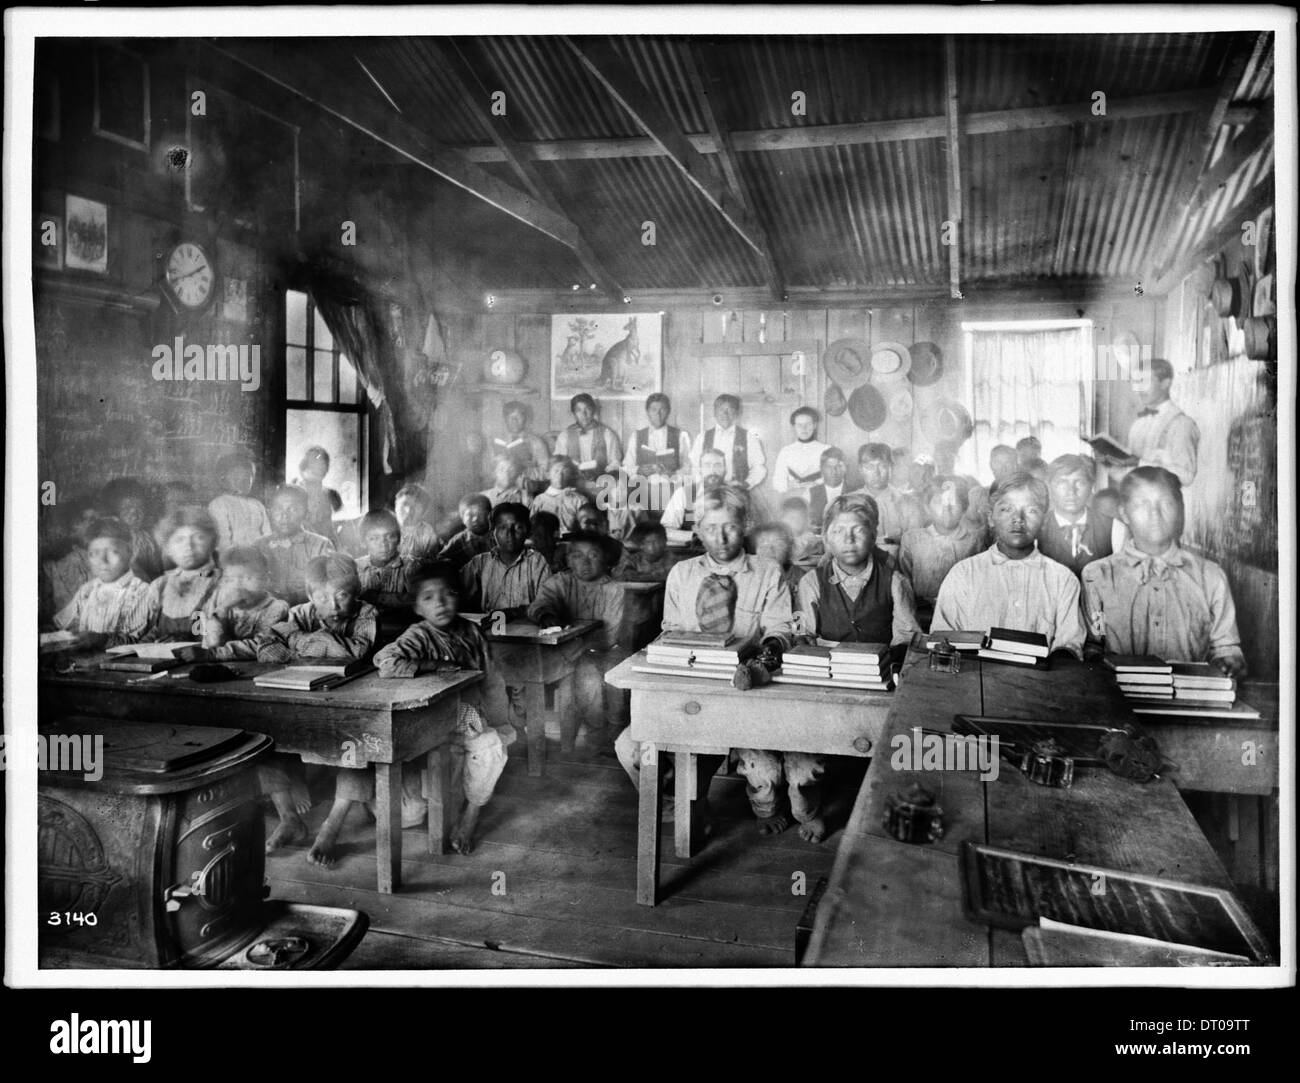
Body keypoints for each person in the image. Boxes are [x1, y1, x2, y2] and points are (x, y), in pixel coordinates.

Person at [615, 484, 795, 835]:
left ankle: (761, 805)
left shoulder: (767, 571)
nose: (721, 536)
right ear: (697, 530)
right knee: (629, 748)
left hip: (746, 692)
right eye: (710, 528)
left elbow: (781, 629)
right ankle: (680, 804)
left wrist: (764, 657)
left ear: (744, 525)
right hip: (691, 690)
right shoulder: (683, 574)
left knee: (766, 773)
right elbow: (670, 631)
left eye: (729, 526)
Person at [791, 496, 921, 842]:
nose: (849, 540)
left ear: (874, 534)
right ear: (826, 539)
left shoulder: (894, 581)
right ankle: (813, 810)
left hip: (877, 687)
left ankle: (876, 815)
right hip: (826, 685)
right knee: (805, 762)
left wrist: (886, 666)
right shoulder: (812, 583)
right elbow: (803, 636)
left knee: (887, 754)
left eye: (858, 530)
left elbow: (906, 639)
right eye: (839, 531)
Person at [366, 562, 515, 854]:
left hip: (466, 723)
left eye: (448, 594)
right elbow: (385, 662)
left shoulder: (472, 632)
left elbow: (493, 681)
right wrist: (430, 665)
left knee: (493, 746)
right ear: (417, 608)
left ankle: (470, 818)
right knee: (411, 816)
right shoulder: (417, 635)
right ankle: (372, 798)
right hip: (425, 731)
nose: (441, 603)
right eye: (429, 597)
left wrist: (501, 721)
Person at [255, 554, 378, 862]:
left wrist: (296, 641)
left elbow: (354, 652)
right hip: (306, 696)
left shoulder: (367, 614)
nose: (333, 607)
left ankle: (332, 826)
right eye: (322, 597)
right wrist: (313, 641)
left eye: (342, 596)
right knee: (260, 733)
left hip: (357, 703)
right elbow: (267, 648)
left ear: (355, 593)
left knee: (359, 745)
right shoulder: (300, 612)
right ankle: (289, 819)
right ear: (310, 595)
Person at [1081, 467, 1246, 676]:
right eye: (1142, 504)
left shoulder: (1211, 577)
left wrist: (1230, 662)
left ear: (1180, 508)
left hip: (1190, 702)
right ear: (1124, 513)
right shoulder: (1098, 575)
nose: (1155, 514)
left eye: (1166, 503)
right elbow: (1091, 646)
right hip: (1118, 701)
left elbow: (1226, 648)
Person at [931, 472, 1086, 658]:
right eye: (1006, 509)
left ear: (1044, 521)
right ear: (990, 518)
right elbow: (943, 641)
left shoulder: (1062, 579)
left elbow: (1069, 647)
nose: (1018, 519)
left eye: (1031, 510)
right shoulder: (963, 574)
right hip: (976, 682)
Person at [461, 502, 551, 746]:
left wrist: (516, 612)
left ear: (528, 531)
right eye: (502, 528)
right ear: (492, 532)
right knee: (487, 685)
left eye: (517, 527)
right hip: (489, 643)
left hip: (526, 644)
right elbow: (456, 591)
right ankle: (498, 731)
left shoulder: (536, 562)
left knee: (520, 685)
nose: (509, 535)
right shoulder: (480, 563)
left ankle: (517, 729)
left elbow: (545, 601)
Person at [528, 531, 627, 747]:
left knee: (613, 679)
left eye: (593, 555)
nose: (585, 562)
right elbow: (540, 603)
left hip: (605, 650)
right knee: (587, 678)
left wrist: (576, 641)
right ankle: (592, 733)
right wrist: (546, 614)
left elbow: (609, 635)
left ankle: (612, 732)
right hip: (565, 653)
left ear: (606, 559)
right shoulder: (560, 582)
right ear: (568, 559)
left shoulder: (614, 590)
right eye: (577, 555)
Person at [51, 517, 153, 648]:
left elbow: (141, 644)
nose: (103, 561)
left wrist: (101, 639)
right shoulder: (88, 590)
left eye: (112, 551)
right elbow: (63, 625)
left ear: (130, 553)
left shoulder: (143, 592)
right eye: (94, 554)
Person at [176, 546, 289, 662]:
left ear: (266, 579)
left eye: (247, 578)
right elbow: (212, 644)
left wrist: (211, 654)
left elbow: (262, 646)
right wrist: (222, 611)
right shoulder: (222, 606)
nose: (237, 585)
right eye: (230, 580)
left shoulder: (277, 608)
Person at [899, 476, 984, 631]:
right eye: (939, 502)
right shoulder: (912, 539)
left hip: (960, 617)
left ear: (964, 507)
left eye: (953, 502)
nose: (947, 508)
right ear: (927, 508)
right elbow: (904, 584)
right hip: (920, 616)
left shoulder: (975, 541)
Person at [1105, 358, 1200, 488]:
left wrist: (1139, 463)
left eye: (1145, 381)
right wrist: (1111, 465)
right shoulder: (1138, 425)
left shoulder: (1182, 424)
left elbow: (1186, 476)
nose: (1139, 389)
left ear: (1165, 383)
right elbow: (1129, 476)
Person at [145, 506, 223, 639]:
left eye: (199, 538)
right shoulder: (159, 586)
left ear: (213, 542)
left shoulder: (223, 584)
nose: (188, 546)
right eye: (179, 540)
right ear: (168, 548)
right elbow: (146, 634)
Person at [256, 483, 335, 605]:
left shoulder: (320, 545)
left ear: (305, 512)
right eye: (278, 509)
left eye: (292, 509)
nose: (284, 516)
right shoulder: (259, 546)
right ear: (270, 512)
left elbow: (330, 589)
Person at [1038, 454, 1113, 577]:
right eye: (1062, 482)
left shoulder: (1115, 529)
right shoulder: (1036, 530)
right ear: (1049, 486)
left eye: (1080, 482)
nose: (1071, 491)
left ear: (1091, 486)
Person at [622, 392, 692, 521]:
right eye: (654, 409)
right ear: (647, 412)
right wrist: (639, 470)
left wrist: (672, 474)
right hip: (643, 488)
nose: (658, 414)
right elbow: (627, 466)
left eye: (662, 409)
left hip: (670, 487)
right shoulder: (637, 436)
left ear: (668, 411)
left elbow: (688, 467)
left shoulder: (680, 435)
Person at [853, 443, 925, 555]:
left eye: (882, 466)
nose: (876, 473)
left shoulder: (909, 504)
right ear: (860, 470)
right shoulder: (849, 503)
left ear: (891, 468)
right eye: (870, 467)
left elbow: (915, 547)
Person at [40, 495, 99, 625]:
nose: (93, 526)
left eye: (96, 520)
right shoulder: (55, 564)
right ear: (73, 525)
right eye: (87, 520)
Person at [690, 394, 766, 491]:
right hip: (708, 492)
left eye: (730, 409)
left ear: (737, 413)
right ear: (714, 412)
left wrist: (745, 484)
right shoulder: (702, 437)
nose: (725, 414)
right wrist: (703, 485)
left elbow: (759, 468)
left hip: (738, 494)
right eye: (721, 409)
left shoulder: (749, 437)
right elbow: (694, 466)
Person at [208, 451, 271, 554]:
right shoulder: (219, 504)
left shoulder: (257, 505)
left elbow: (267, 534)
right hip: (233, 559)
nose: (244, 481)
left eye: (249, 477)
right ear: (223, 478)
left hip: (259, 557)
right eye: (236, 476)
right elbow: (223, 540)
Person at [101, 477, 164, 581]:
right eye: (126, 509)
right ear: (113, 513)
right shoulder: (106, 538)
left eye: (140, 508)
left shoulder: (145, 538)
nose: (134, 515)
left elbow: (155, 569)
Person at [557, 393, 623, 492]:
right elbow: (559, 464)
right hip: (574, 485)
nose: (584, 414)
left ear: (593, 410)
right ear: (574, 413)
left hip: (600, 485)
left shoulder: (607, 433)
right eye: (579, 410)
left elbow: (615, 462)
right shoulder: (565, 435)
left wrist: (602, 477)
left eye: (587, 409)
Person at [355, 509, 413, 611]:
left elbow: (418, 601)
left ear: (398, 539)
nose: (383, 544)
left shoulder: (410, 567)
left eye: (390, 536)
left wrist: (378, 597)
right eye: (374, 538)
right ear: (363, 542)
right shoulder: (355, 568)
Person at [493, 400, 552, 496]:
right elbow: (489, 469)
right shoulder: (497, 441)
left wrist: (523, 470)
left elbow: (547, 472)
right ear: (505, 419)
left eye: (518, 416)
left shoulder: (536, 442)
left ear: (524, 418)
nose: (514, 421)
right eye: (510, 417)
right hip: (500, 490)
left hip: (525, 489)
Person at [661, 447, 728, 531]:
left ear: (725, 469)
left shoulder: (737, 495)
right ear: (700, 470)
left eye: (718, 465)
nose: (712, 471)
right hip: (691, 543)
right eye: (707, 465)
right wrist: (695, 537)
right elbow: (667, 530)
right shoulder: (682, 493)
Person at [963, 444, 1018, 542]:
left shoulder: (1026, 495)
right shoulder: (978, 495)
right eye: (998, 463)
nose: (1003, 468)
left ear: (1015, 465)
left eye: (1008, 463)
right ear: (991, 465)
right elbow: (968, 530)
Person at [772, 407, 830, 498]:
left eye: (808, 424)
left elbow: (834, 480)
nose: (804, 428)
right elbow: (777, 482)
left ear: (815, 425)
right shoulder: (786, 451)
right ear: (794, 427)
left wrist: (817, 485)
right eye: (799, 425)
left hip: (819, 498)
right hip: (794, 500)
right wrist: (788, 485)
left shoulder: (826, 449)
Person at [293, 445, 343, 542]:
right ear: (304, 468)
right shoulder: (294, 493)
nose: (318, 469)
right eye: (313, 465)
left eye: (322, 466)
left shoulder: (330, 494)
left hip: (325, 545)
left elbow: (330, 529)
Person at [750, 522, 805, 604]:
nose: (768, 549)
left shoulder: (803, 579)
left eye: (778, 543)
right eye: (762, 543)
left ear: (790, 548)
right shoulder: (747, 575)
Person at [530, 456, 587, 532]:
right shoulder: (539, 501)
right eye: (556, 471)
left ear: (570, 474)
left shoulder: (579, 500)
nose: (560, 476)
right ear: (548, 474)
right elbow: (532, 528)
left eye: (564, 471)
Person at [438, 493, 494, 570]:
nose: (475, 519)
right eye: (470, 515)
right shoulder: (459, 539)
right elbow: (441, 558)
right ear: (462, 519)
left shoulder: (498, 535)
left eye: (481, 514)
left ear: (490, 515)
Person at [394, 482, 441, 563]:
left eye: (415, 506)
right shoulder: (387, 528)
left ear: (423, 511)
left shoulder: (427, 531)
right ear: (396, 506)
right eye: (405, 504)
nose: (408, 511)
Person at [806, 447, 848, 532]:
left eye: (838, 466)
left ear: (845, 468)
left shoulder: (856, 492)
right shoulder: (810, 493)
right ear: (821, 469)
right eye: (829, 467)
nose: (834, 471)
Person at [779, 497, 822, 565]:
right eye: (792, 518)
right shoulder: (779, 540)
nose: (796, 522)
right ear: (781, 519)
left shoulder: (809, 536)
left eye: (802, 517)